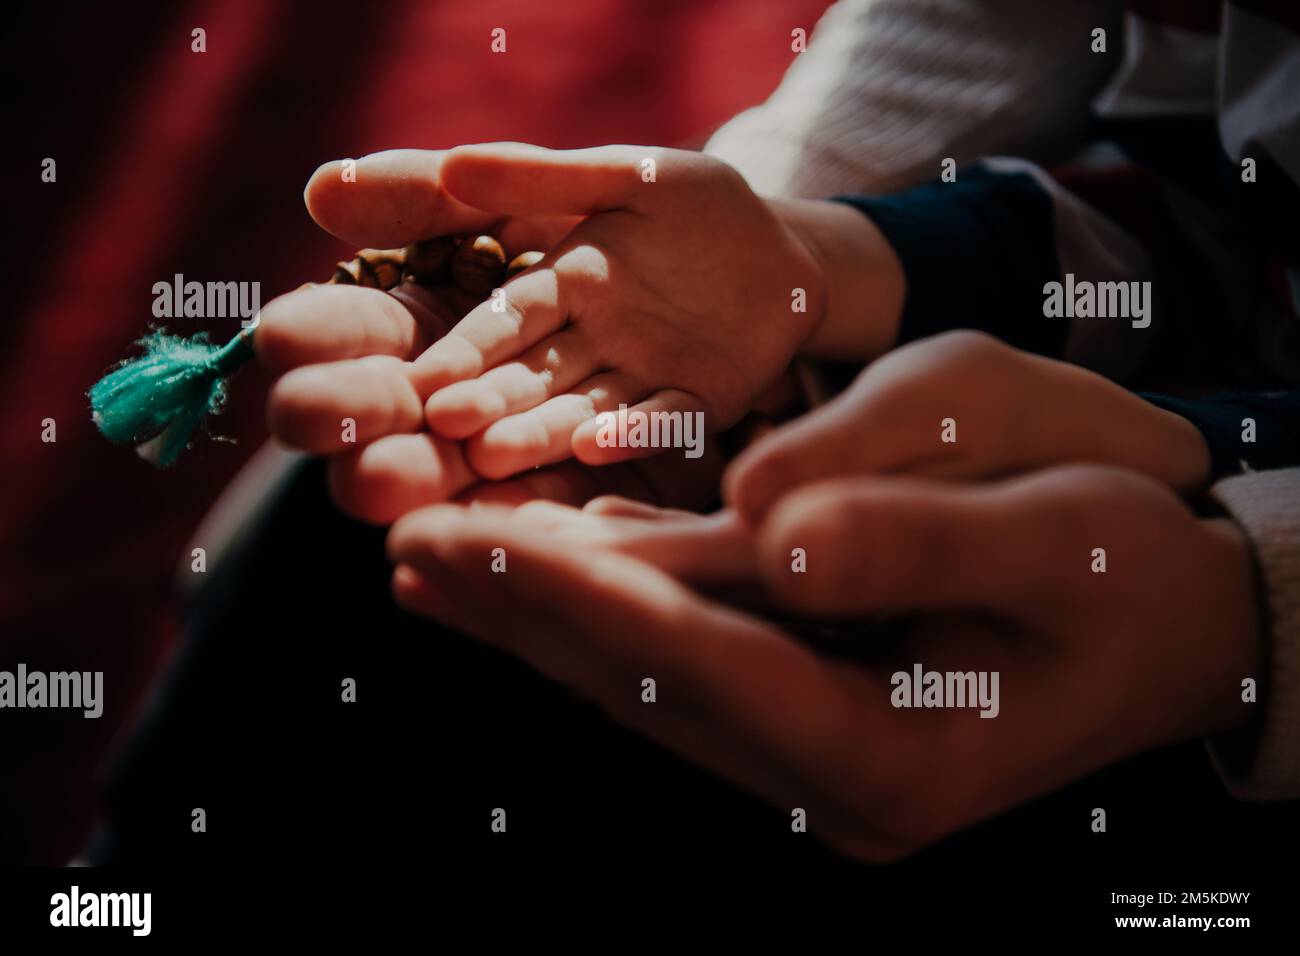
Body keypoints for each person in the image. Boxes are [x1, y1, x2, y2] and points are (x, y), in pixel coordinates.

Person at [88, 0, 1299, 865]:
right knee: (379, 506)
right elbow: (992, 43)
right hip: (1146, 273)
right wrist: (789, 239)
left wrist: (1244, 594)